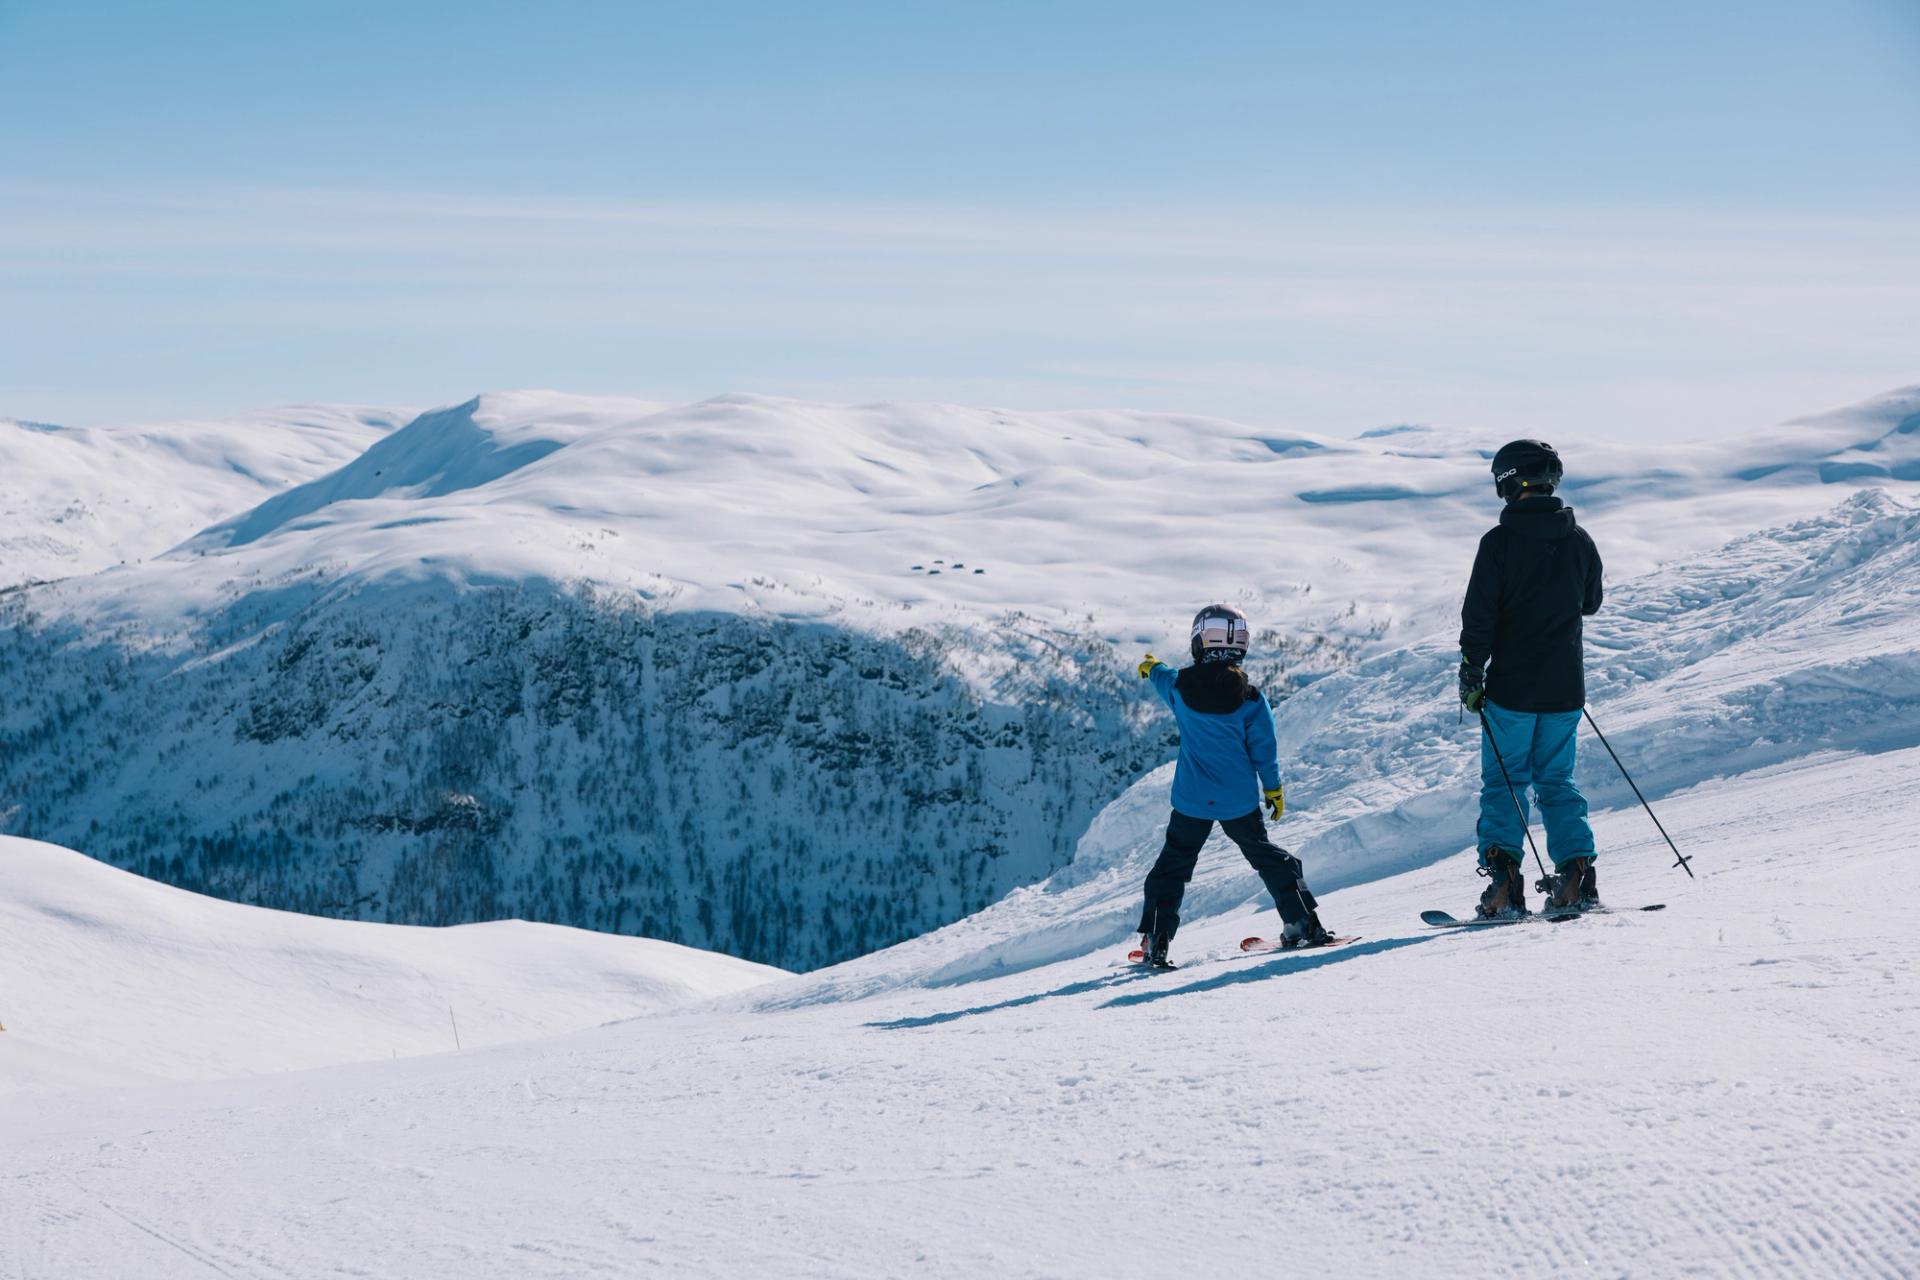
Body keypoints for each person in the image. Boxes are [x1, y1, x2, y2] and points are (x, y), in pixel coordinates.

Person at [1133, 604, 1331, 967]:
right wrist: (1273, 789)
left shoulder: (1178, 686)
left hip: (1192, 801)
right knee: (1270, 859)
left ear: (1198, 642)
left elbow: (1160, 675)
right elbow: (1264, 750)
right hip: (1238, 801)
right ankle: (1302, 923)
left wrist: (1151, 667)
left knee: (1172, 867)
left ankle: (1156, 941)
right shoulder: (1251, 699)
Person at [1457, 439, 1605, 917]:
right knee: (1557, 780)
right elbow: (1591, 602)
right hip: (1565, 689)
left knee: (1505, 781)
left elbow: (1479, 616)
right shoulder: (1579, 539)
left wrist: (1471, 671)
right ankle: (1576, 876)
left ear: (1507, 482)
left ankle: (1504, 883)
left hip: (1513, 690)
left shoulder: (1498, 543)